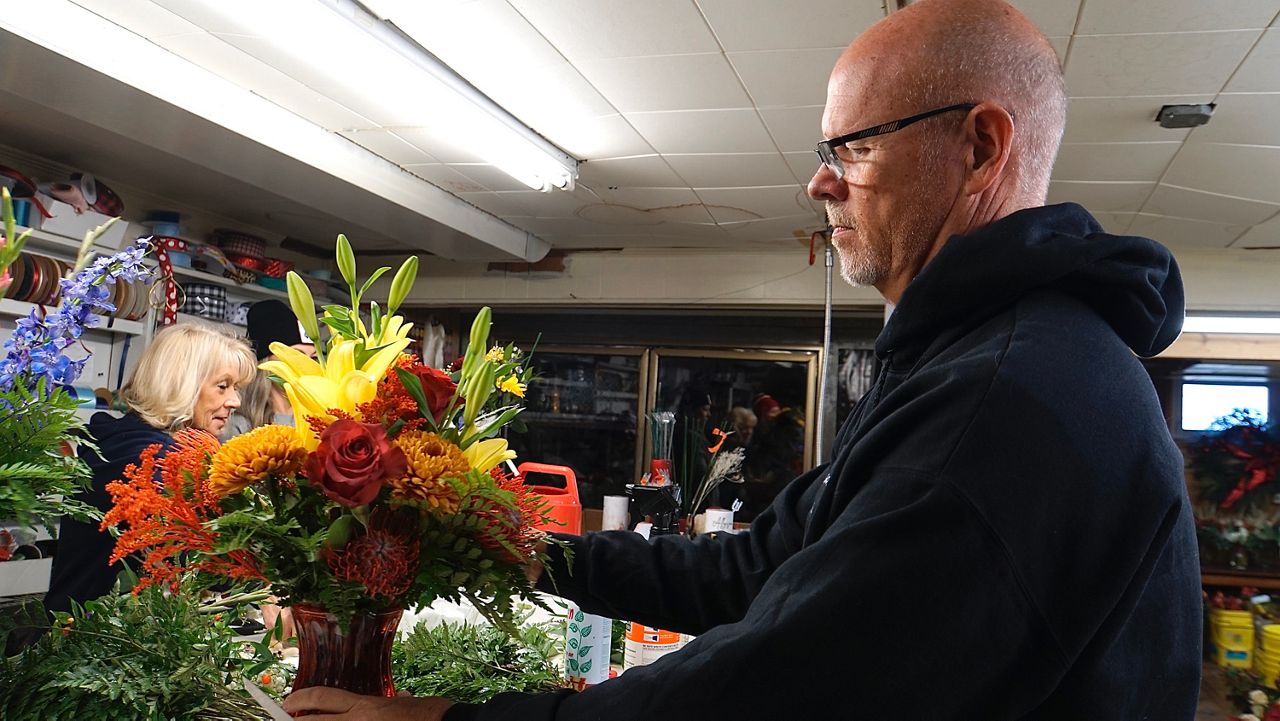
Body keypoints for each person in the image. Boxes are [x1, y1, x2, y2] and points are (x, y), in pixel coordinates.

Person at [285, 0, 1201, 718]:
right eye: (825, 148)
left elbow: (789, 687)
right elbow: (760, 566)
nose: (819, 179)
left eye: (857, 145)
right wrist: (522, 552)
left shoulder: (1007, 395)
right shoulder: (977, 357)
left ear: (981, 146)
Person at [44, 323, 255, 614]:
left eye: (236, 388)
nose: (234, 401)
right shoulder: (152, 459)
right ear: (181, 383)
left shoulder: (119, 440)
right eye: (222, 387)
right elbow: (203, 569)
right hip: (96, 644)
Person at [222, 299, 315, 440]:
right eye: (296, 355)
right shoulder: (237, 426)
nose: (307, 365)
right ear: (266, 362)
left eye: (313, 358)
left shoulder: (320, 424)